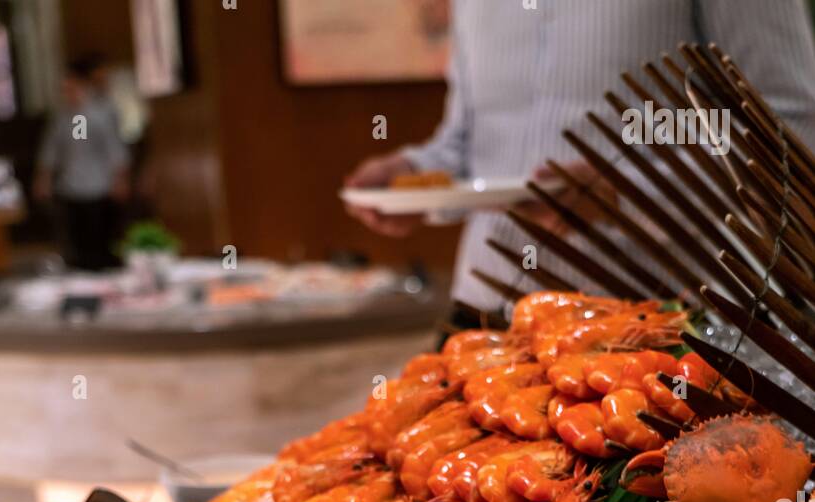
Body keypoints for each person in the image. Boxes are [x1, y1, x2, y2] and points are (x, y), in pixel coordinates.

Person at [345, 0, 815, 314]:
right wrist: (413, 175)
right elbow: (470, 140)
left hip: (662, 327)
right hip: (486, 316)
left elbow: (790, 128)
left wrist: (626, 193)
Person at [34, 56, 130, 272]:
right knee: (76, 239)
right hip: (71, 186)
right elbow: (51, 150)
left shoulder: (102, 113)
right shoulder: (61, 116)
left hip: (99, 186)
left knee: (101, 238)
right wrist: (44, 178)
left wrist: (120, 179)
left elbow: (115, 149)